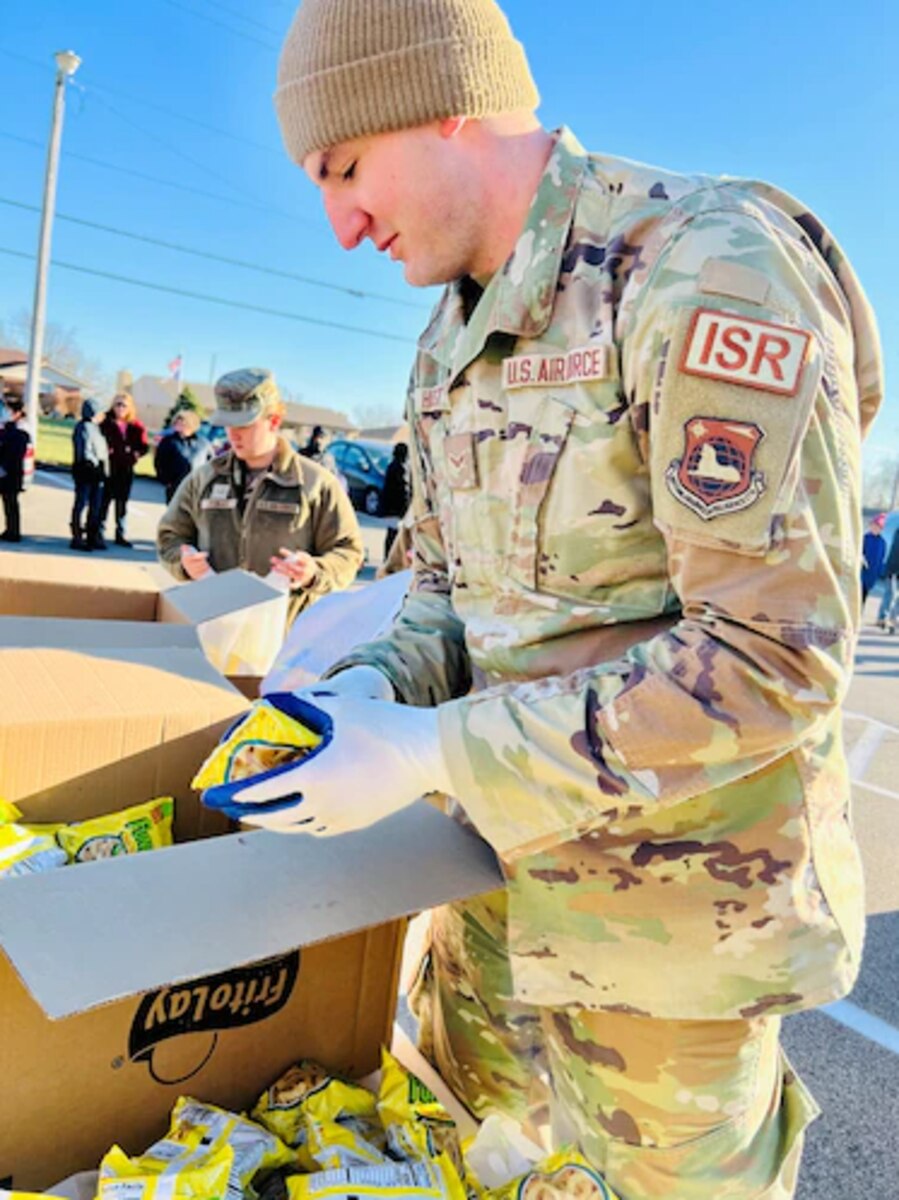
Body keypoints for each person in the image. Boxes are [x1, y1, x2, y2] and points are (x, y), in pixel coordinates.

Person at [228, 3, 885, 1197]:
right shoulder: (444, 344)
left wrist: (431, 745)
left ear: (443, 101)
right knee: (467, 1169)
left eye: (343, 169)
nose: (339, 225)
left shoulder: (700, 262)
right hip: (486, 913)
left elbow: (772, 656)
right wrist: (374, 688)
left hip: (669, 951)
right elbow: (441, 588)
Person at [156, 367, 365, 625]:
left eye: (243, 424)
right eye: (228, 424)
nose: (233, 434)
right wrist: (183, 560)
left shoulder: (315, 484)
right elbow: (169, 537)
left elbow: (348, 552)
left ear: (274, 421)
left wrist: (314, 572)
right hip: (213, 629)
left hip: (283, 640)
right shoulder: (203, 479)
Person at [100, 392, 149, 548]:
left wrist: (136, 454)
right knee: (104, 500)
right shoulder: (105, 422)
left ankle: (120, 534)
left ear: (130, 408)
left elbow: (144, 446)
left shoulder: (136, 426)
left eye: (124, 405)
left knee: (122, 502)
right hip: (109, 467)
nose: (120, 408)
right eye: (117, 404)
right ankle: (99, 532)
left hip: (126, 467)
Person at [70, 397, 110, 551]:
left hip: (97, 473)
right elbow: (85, 452)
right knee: (81, 504)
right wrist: (93, 467)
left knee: (95, 506)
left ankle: (92, 536)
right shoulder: (84, 427)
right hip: (87, 472)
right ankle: (77, 537)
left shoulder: (96, 428)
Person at [154, 410, 213, 503]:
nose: (179, 425)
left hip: (197, 487)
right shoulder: (169, 441)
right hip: (175, 486)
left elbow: (212, 463)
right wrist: (166, 480)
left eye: (182, 422)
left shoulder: (203, 444)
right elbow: (160, 462)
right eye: (177, 422)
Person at [0, 398, 30, 543]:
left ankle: (14, 531)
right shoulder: (7, 428)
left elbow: (15, 452)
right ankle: (10, 529)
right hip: (7, 471)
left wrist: (4, 467)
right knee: (8, 502)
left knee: (11, 502)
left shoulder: (20, 431)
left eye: (9, 410)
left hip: (11, 472)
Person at [380, 441, 411, 559]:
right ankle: (391, 558)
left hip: (390, 508)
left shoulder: (391, 466)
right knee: (395, 535)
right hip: (397, 509)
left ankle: (388, 557)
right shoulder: (401, 469)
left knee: (391, 534)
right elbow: (403, 491)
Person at [860, 513, 887, 606]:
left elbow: (881, 559)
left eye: (878, 527)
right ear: (871, 525)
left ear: (881, 529)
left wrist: (879, 573)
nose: (875, 529)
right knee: (857, 595)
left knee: (864, 596)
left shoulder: (882, 543)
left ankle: (859, 614)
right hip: (861, 572)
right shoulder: (865, 538)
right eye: (874, 526)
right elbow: (859, 553)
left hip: (872, 575)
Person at [877, 524, 899, 632]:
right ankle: (886, 618)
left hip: (892, 567)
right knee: (889, 593)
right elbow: (894, 552)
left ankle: (887, 618)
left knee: (889, 594)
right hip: (893, 568)